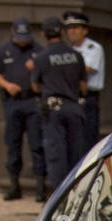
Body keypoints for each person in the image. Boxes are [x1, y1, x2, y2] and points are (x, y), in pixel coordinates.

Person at [0, 17, 47, 202]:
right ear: (12, 32)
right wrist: (6, 85)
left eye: (26, 36)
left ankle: (40, 186)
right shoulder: (3, 50)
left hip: (33, 101)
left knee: (37, 144)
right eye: (19, 36)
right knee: (13, 144)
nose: (23, 40)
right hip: (13, 101)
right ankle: (14, 184)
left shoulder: (38, 50)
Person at [28, 16, 86, 189]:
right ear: (62, 32)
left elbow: (35, 86)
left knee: (56, 154)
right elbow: (84, 85)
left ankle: (60, 194)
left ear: (44, 34)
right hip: (74, 107)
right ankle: (77, 190)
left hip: (53, 109)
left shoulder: (41, 58)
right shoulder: (76, 56)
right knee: (76, 152)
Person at [62, 10, 105, 153]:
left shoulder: (93, 48)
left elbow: (86, 69)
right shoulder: (69, 50)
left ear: (85, 30)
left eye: (76, 28)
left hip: (88, 97)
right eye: (69, 28)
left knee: (88, 138)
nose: (72, 32)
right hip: (71, 98)